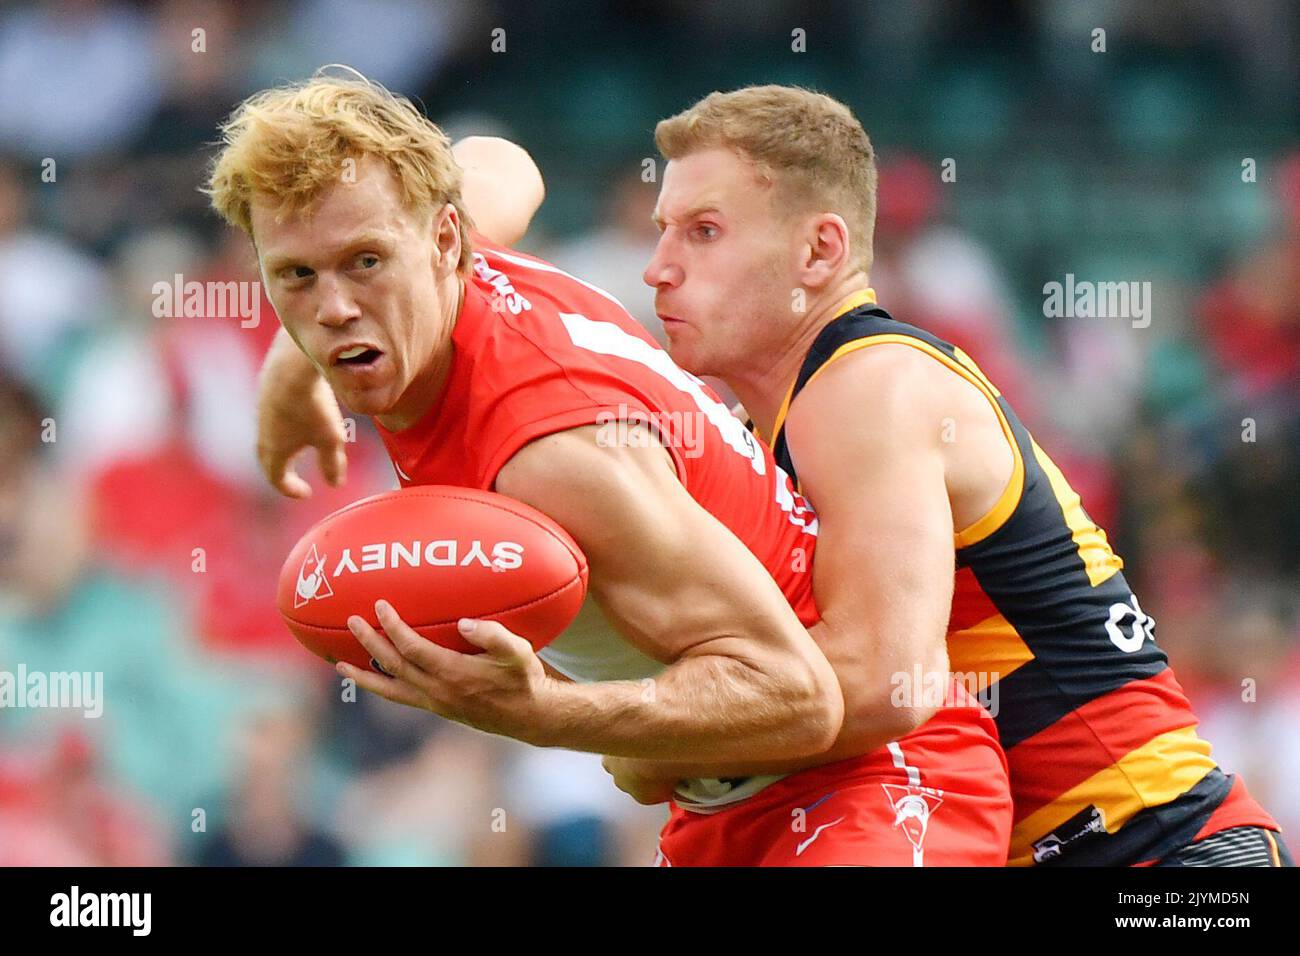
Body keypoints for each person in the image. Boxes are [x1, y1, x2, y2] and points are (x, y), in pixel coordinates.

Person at [210, 71, 1011, 866]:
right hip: (730, 799)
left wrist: (544, 713)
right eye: (296, 276)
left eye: (365, 262)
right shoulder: (452, 242)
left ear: (444, 240)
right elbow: (499, 159)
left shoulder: (556, 451)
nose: (336, 308)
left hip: (876, 782)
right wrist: (292, 370)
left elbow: (800, 696)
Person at [619, 85, 1287, 867]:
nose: (658, 268)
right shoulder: (780, 422)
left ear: (820, 251)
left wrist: (613, 724)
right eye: (665, 232)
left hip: (1162, 854)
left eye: (703, 232)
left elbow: (879, 686)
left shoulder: (865, 384)